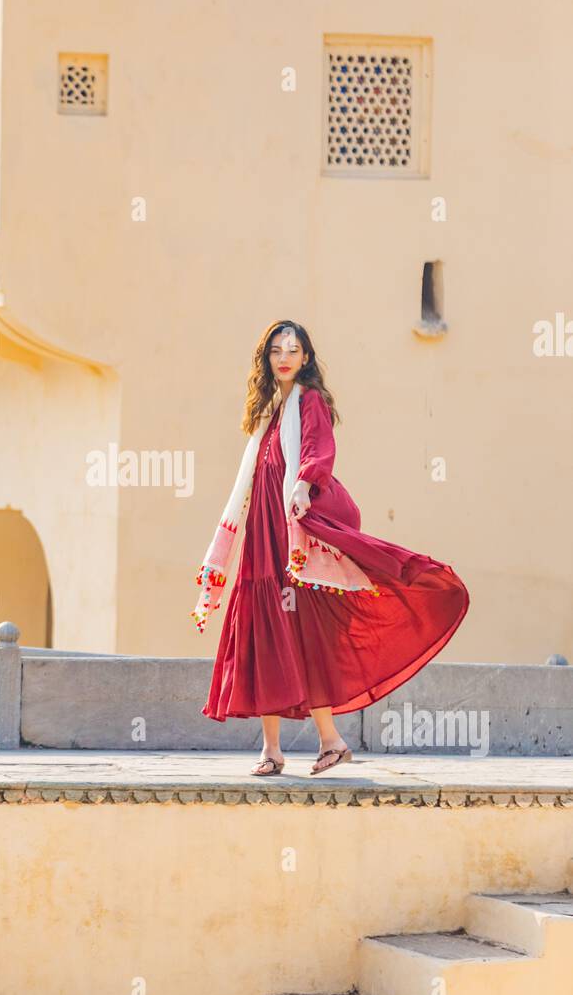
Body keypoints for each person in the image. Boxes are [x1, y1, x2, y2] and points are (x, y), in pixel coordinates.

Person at [192, 320, 469, 776]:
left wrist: (304, 484)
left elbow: (319, 449)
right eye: (277, 350)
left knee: (301, 635)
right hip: (260, 541)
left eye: (294, 350)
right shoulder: (267, 415)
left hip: (290, 539)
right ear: (266, 359)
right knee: (265, 634)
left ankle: (330, 740)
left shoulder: (310, 401)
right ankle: (274, 750)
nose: (285, 357)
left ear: (306, 359)